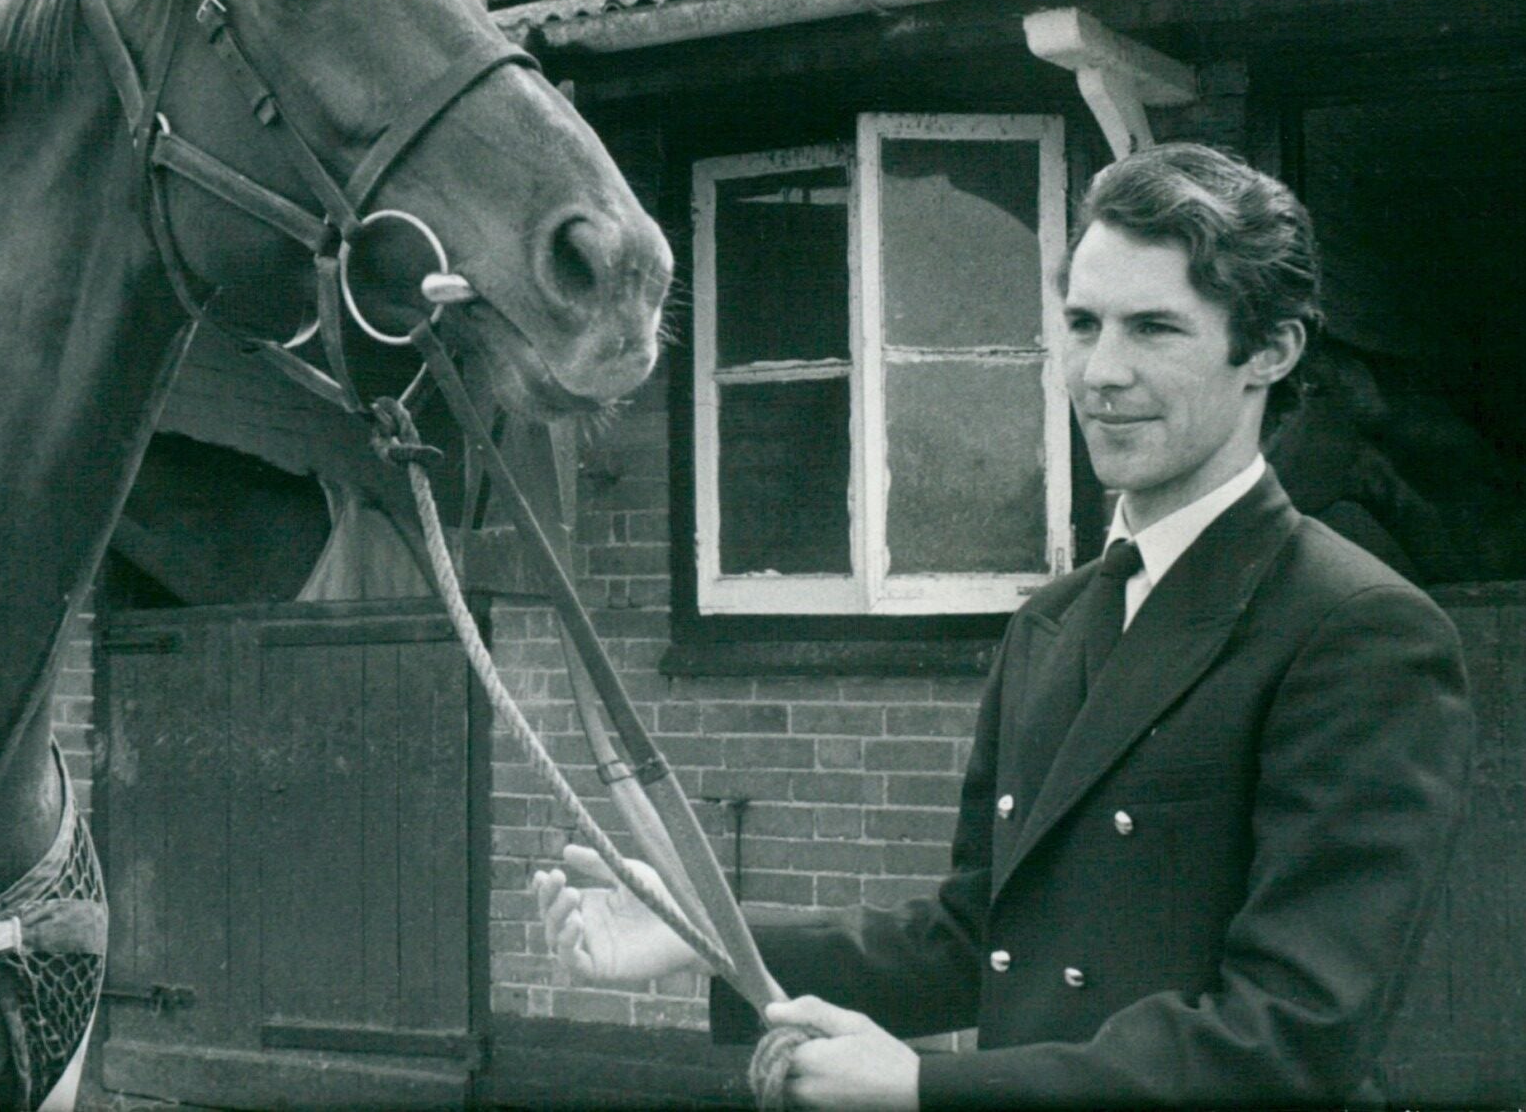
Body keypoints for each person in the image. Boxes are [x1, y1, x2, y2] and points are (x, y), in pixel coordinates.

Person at [534, 143, 1473, 1109]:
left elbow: (1286, 1039)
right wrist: (700, 933)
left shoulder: (1359, 632)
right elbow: (975, 932)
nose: (1101, 372)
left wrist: (926, 1089)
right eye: (1082, 323)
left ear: (1270, 353)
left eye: (1155, 328)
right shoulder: (1053, 623)